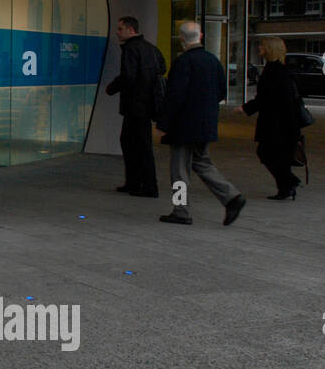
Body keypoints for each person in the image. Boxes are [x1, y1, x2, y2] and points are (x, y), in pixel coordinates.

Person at [156, 21, 245, 226]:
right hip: (205, 124)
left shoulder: (183, 62)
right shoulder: (213, 61)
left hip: (183, 126)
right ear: (201, 36)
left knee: (179, 170)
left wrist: (164, 123)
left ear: (181, 39)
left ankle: (181, 210)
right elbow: (222, 92)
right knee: (202, 162)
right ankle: (231, 196)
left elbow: (174, 96)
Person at [105, 15, 165, 197]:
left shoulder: (131, 49)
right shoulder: (151, 49)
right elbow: (162, 68)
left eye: (120, 29)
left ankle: (143, 184)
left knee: (133, 144)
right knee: (140, 144)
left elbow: (128, 76)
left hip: (135, 105)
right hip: (147, 105)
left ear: (131, 30)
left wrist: (111, 88)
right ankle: (137, 183)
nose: (117, 32)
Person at [242, 37, 301, 200]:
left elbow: (266, 97)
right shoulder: (278, 70)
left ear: (270, 49)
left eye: (262, 45)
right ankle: (287, 185)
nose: (259, 47)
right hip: (280, 122)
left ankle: (288, 184)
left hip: (278, 122)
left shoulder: (275, 72)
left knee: (268, 153)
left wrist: (246, 108)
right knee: (274, 154)